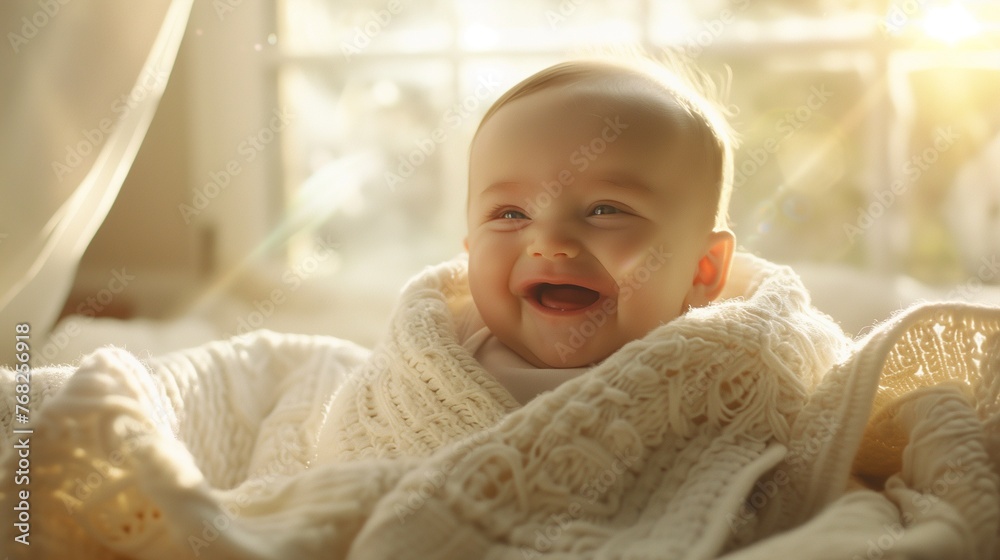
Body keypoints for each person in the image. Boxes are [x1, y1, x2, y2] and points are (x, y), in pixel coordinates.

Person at [456, 57, 737, 403]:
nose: (550, 243)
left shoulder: (723, 379)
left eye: (604, 210)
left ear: (702, 268)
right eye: (512, 214)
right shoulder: (442, 359)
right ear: (471, 254)